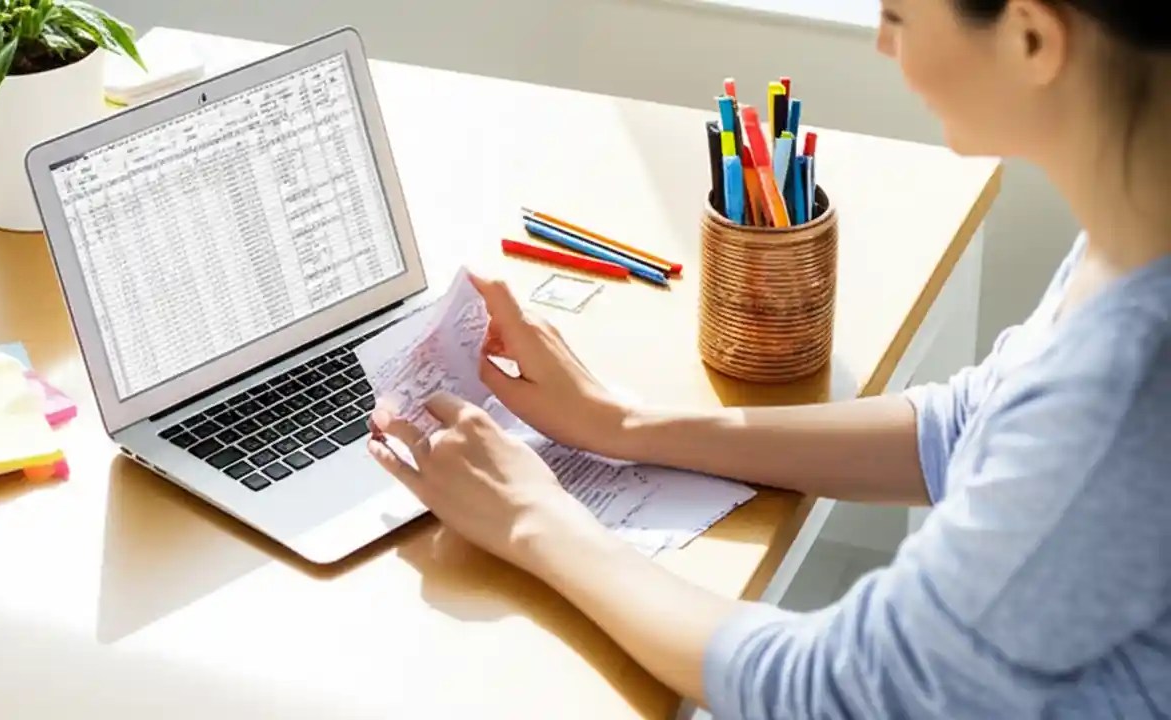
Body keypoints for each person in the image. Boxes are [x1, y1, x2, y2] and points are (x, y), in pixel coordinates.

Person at [367, 0, 1171, 716]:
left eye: (897, 15)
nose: (882, 44)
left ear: (1031, 38)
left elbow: (840, 692)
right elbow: (974, 427)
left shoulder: (1129, 377)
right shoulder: (1135, 222)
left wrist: (535, 520)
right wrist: (626, 424)